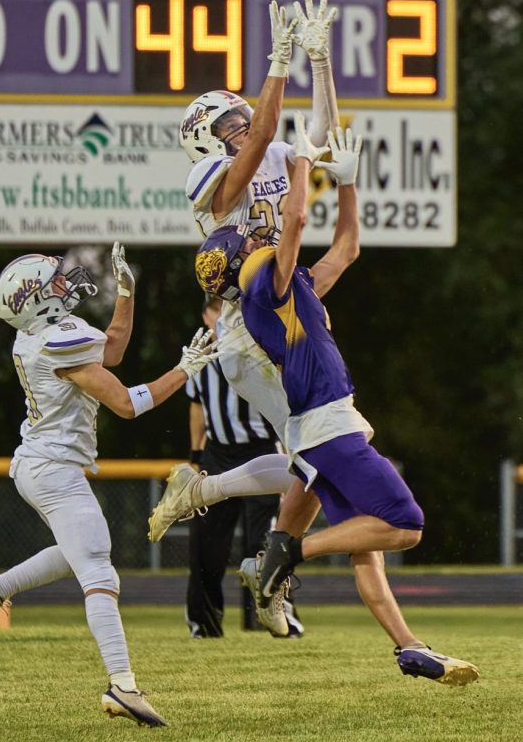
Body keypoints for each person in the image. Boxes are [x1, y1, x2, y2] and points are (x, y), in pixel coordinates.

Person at [195, 115, 479, 686]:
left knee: (368, 547)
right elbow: (296, 216)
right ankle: (284, 555)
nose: (257, 232)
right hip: (327, 425)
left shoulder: (283, 284)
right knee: (404, 525)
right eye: (248, 237)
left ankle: (409, 648)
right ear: (235, 259)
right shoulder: (260, 286)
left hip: (319, 426)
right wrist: (302, 160)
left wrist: (347, 183)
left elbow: (346, 248)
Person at [0, 243, 218, 727]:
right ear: (35, 302)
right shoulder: (56, 342)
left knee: (79, 551)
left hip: (38, 465)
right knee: (100, 570)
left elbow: (114, 349)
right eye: (52, 284)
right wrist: (182, 371)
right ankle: (122, 684)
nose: (64, 284)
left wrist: (127, 293)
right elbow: (126, 403)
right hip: (52, 468)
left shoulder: (41, 334)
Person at [149, 0, 340, 635]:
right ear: (206, 136)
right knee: (317, 456)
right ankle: (267, 569)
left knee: (309, 461)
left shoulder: (268, 146)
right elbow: (260, 140)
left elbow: (320, 139)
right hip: (245, 329)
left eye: (240, 113)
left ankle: (260, 561)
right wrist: (279, 60)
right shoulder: (208, 176)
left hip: (283, 314)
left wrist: (319, 61)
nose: (242, 121)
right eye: (228, 118)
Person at [181, 295, 304, 640]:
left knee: (266, 543)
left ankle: (278, 620)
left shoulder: (259, 342)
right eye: (219, 310)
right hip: (216, 454)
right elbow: (196, 404)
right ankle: (203, 626)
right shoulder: (197, 352)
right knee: (205, 547)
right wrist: (194, 453)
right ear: (207, 314)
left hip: (263, 450)